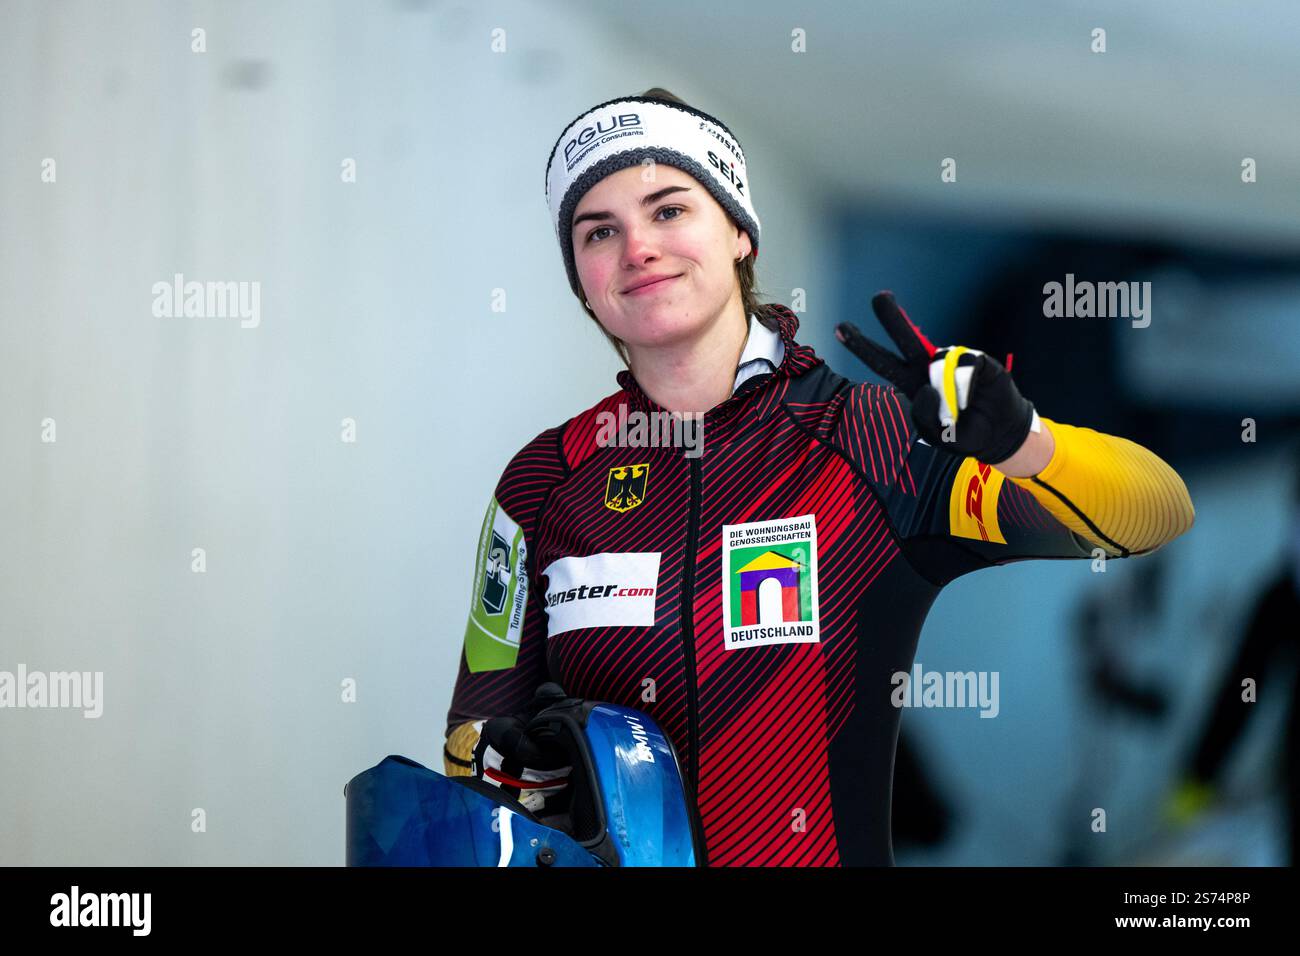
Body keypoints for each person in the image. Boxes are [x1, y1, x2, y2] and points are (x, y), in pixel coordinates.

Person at [442, 87, 1196, 866]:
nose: (638, 249)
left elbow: (1156, 511)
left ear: (738, 232)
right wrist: (513, 766)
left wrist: (1023, 442)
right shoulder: (544, 481)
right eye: (601, 231)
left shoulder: (869, 438)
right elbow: (470, 739)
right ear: (581, 280)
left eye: (669, 211)